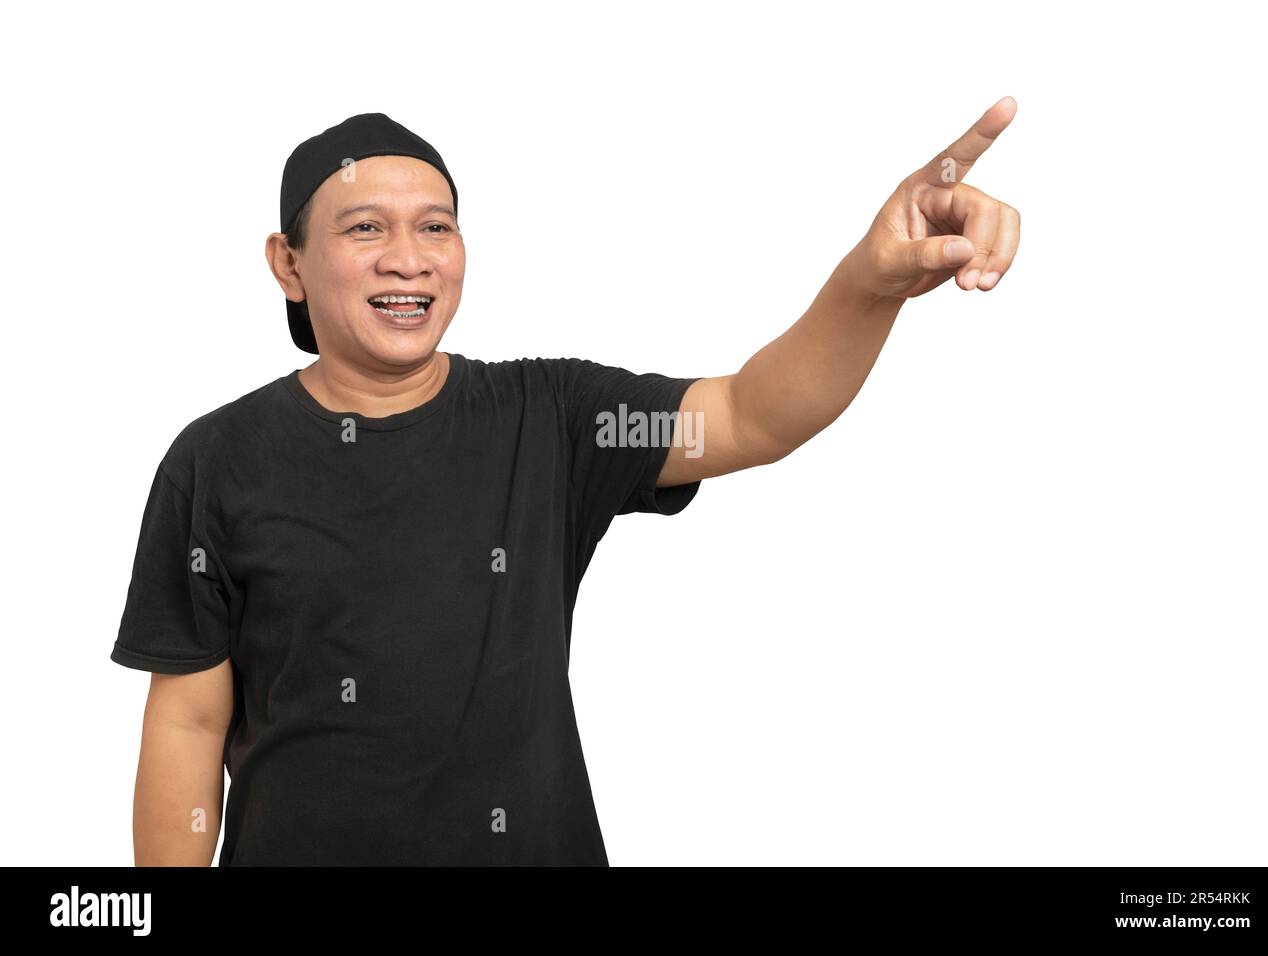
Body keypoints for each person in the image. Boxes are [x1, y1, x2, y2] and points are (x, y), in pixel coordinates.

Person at [112, 103, 1020, 866]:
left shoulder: (551, 416)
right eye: (364, 228)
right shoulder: (218, 460)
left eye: (436, 225)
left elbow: (750, 416)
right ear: (288, 263)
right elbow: (188, 726)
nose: (408, 257)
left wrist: (871, 284)